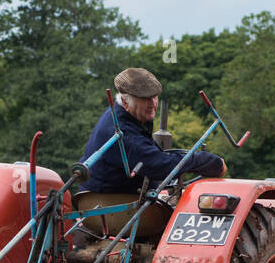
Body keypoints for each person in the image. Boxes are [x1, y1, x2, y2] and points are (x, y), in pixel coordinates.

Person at [78, 67, 226, 194]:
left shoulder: (125, 115)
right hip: (109, 206)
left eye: (154, 97)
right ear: (125, 101)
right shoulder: (121, 131)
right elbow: (158, 164)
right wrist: (207, 161)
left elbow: (152, 156)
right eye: (144, 99)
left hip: (114, 195)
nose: (152, 104)